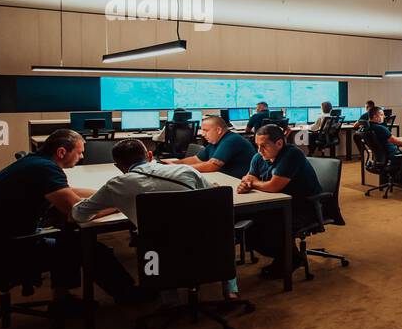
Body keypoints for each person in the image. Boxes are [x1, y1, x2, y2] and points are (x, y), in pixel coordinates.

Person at [0, 129, 136, 313]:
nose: (83, 156)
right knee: (88, 247)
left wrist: (107, 193)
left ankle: (63, 300)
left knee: (68, 235)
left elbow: (68, 191)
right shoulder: (45, 169)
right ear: (62, 152)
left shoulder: (34, 163)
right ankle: (127, 295)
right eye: (79, 152)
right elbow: (79, 212)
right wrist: (118, 204)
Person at [71, 139, 241, 301]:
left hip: (158, 252)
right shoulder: (186, 171)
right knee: (215, 230)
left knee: (155, 242)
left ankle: (170, 300)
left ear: (118, 166)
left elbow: (78, 214)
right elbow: (210, 198)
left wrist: (116, 205)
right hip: (207, 242)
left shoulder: (116, 185)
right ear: (150, 156)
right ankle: (230, 290)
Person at [238, 124, 323, 277]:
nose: (259, 150)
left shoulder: (292, 154)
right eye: (257, 145)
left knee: (269, 226)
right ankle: (289, 256)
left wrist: (254, 182)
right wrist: (246, 184)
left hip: (303, 207)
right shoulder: (259, 157)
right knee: (248, 222)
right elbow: (247, 177)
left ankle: (289, 260)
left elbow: (273, 187)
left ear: (279, 143)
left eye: (264, 146)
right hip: (277, 205)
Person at [165, 115, 255, 177]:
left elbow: (212, 165)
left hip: (238, 182)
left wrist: (179, 168)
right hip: (225, 179)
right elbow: (196, 159)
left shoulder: (231, 140)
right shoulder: (214, 142)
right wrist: (174, 164)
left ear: (218, 130)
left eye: (206, 130)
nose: (203, 134)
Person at [364, 105, 402, 187]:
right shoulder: (380, 128)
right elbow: (397, 142)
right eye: (382, 115)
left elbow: (392, 139)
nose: (384, 117)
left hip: (381, 157)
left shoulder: (368, 127)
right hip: (392, 155)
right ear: (375, 116)